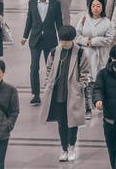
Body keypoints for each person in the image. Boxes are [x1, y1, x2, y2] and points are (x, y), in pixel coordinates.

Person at [41, 25, 90, 162]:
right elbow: (49, 69)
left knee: (72, 123)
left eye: (66, 41)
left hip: (73, 93)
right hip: (58, 93)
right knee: (61, 122)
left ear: (72, 39)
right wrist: (47, 84)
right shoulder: (54, 52)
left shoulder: (80, 53)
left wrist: (81, 85)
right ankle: (64, 149)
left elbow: (85, 72)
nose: (64, 43)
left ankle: (72, 147)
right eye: (62, 40)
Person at [20, 0, 61, 106]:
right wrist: (24, 36)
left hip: (50, 39)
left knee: (51, 67)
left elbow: (59, 22)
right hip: (35, 40)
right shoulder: (32, 3)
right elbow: (29, 20)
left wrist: (63, 38)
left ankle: (52, 92)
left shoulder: (55, 3)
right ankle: (36, 94)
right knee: (34, 67)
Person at [75, 0, 113, 121]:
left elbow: (109, 38)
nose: (95, 8)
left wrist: (95, 41)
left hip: (101, 55)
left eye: (98, 6)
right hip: (86, 54)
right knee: (87, 81)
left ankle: (101, 104)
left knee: (100, 80)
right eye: (93, 6)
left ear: (102, 7)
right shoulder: (84, 19)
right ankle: (87, 107)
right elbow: (77, 35)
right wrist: (86, 41)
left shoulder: (107, 22)